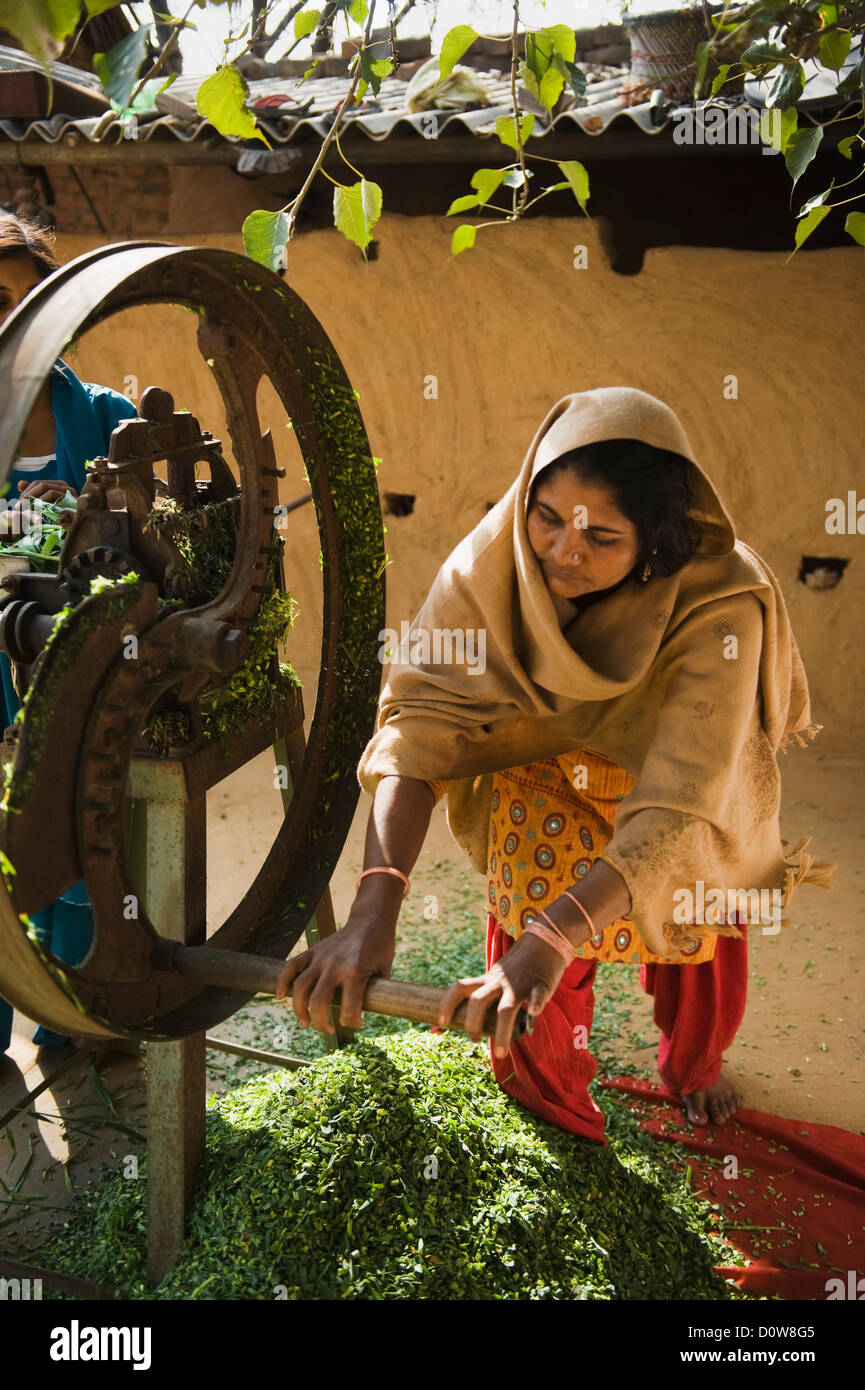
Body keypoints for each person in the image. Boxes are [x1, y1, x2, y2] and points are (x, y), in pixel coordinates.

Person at [276, 388, 831, 1138]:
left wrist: (556, 938)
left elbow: (679, 800)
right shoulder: (490, 562)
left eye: (601, 537)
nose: (562, 552)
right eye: (547, 519)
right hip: (544, 775)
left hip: (681, 791)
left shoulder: (720, 602)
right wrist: (374, 911)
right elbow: (421, 724)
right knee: (526, 967)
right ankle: (551, 1109)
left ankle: (692, 1066)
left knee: (693, 935)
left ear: (657, 541)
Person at [0, 212, 138, 1053]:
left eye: (12, 298)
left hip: (90, 679)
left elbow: (150, 536)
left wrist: (92, 519)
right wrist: (33, 527)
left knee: (86, 837)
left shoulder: (107, 417)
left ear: (50, 306)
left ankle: (82, 1021)